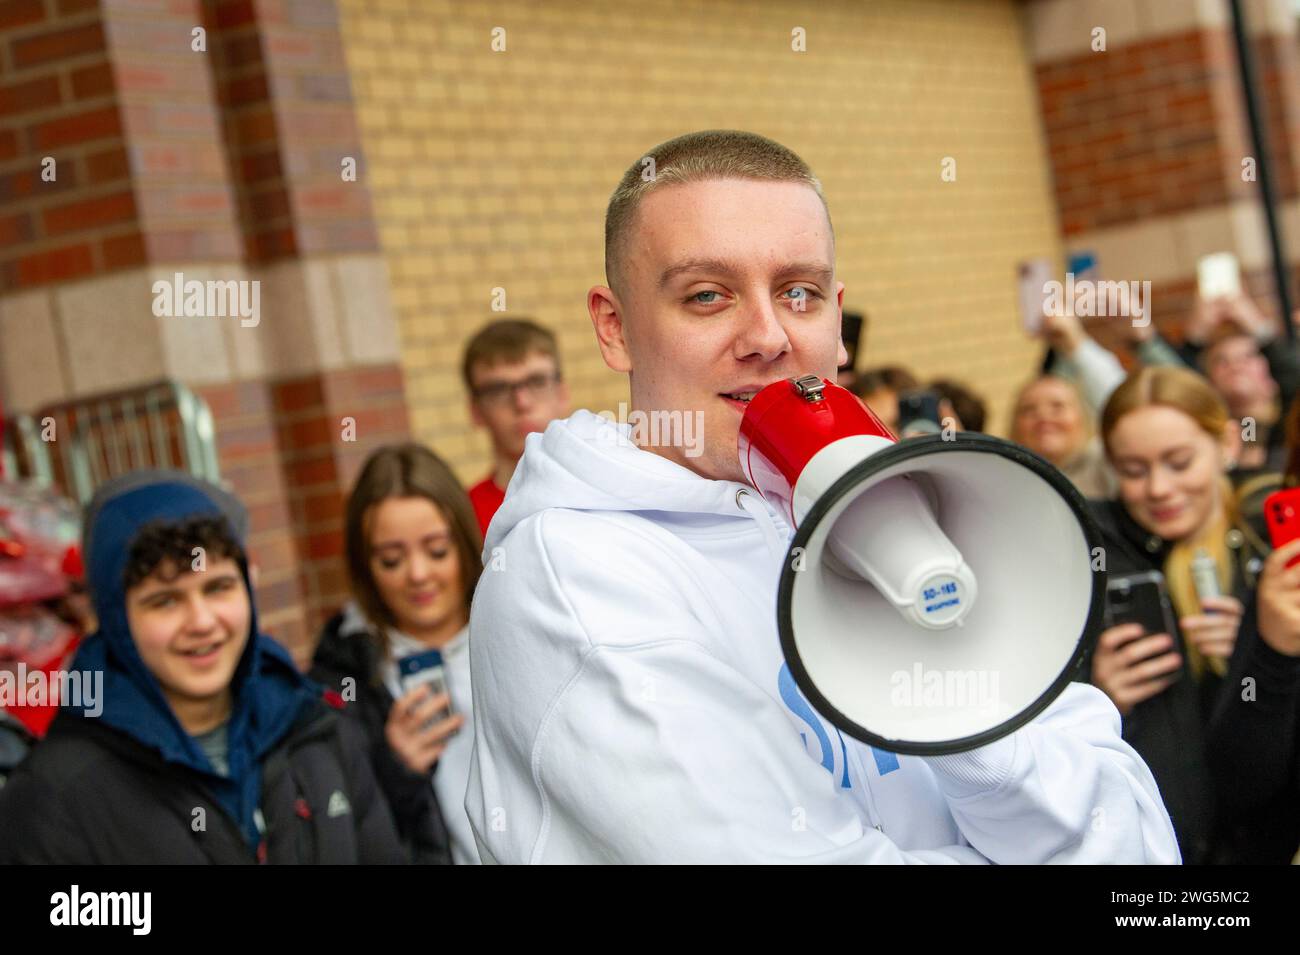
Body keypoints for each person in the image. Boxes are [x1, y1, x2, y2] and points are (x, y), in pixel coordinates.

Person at [464, 129, 1178, 864]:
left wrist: (968, 718)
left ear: (838, 321)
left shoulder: (917, 512)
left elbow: (1142, 842)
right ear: (615, 330)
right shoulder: (573, 575)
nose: (768, 336)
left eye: (798, 293)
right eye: (707, 295)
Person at [0, 471, 407, 863]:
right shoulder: (56, 794)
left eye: (218, 588)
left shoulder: (317, 730)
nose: (202, 622)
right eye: (165, 601)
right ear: (116, 619)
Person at [1087, 365, 1279, 863]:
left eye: (1179, 462)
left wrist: (1258, 654)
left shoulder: (1275, 544)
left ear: (1228, 446)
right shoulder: (1090, 554)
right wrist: (1096, 697)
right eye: (1133, 470)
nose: (1159, 489)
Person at [311, 444, 479, 864]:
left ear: (465, 542)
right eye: (391, 560)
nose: (418, 574)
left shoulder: (521, 625)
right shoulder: (340, 677)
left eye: (437, 550)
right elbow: (338, 829)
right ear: (365, 566)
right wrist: (394, 769)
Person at [462, 319, 570, 538]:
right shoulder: (463, 517)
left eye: (537, 381)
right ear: (476, 410)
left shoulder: (602, 490)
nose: (522, 402)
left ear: (562, 394)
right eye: (498, 389)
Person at [1010, 374, 1117, 499]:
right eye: (1029, 409)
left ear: (1082, 416)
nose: (1043, 416)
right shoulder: (1006, 479)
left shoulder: (1108, 462)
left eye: (1057, 406)